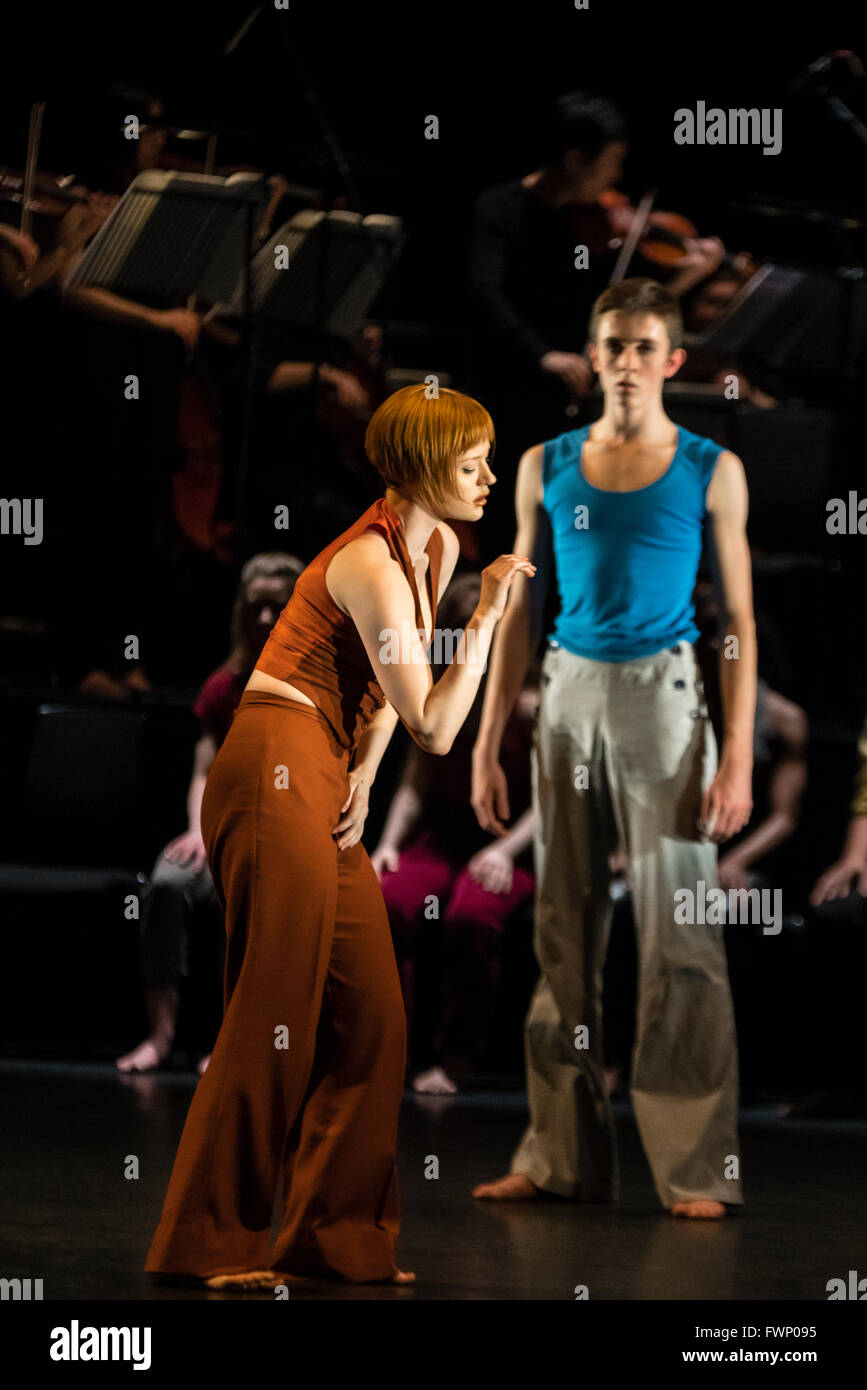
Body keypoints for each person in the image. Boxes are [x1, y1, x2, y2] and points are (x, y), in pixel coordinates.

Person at [144, 383, 534, 1289]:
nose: (488, 478)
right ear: (422, 469)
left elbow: (391, 691)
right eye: (471, 464)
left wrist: (359, 772)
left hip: (323, 761)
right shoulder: (369, 559)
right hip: (272, 759)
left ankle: (335, 1238)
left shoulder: (435, 545)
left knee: (371, 1018)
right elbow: (436, 725)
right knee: (275, 1006)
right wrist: (484, 622)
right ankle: (210, 1243)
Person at [471, 277, 756, 1219]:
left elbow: (739, 623)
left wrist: (737, 755)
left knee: (678, 934)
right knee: (562, 925)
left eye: (643, 347)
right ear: (591, 356)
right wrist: (487, 741)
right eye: (612, 346)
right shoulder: (543, 462)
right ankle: (558, 1157)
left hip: (662, 700)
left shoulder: (710, 466)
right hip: (566, 692)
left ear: (671, 360)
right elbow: (517, 608)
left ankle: (694, 1169)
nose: (626, 362)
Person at [468, 90, 725, 556]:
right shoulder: (499, 209)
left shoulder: (590, 228)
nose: (617, 177)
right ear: (574, 159)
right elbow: (484, 294)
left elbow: (620, 313)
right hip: (506, 393)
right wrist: (542, 355)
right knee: (509, 535)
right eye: (611, 162)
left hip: (573, 400)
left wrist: (689, 276)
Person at [116, 552, 303, 1076]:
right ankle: (160, 1035)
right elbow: (203, 771)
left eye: (277, 606)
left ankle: (236, 1037)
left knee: (243, 891)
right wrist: (199, 829)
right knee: (166, 883)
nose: (264, 618)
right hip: (224, 828)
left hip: (285, 834)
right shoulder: (223, 687)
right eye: (255, 606)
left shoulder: (317, 685)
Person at [370, 572, 538, 1093]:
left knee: (471, 914)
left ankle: (458, 1053)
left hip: (514, 841)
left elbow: (554, 799)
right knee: (388, 899)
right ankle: (388, 1048)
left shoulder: (534, 705)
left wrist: (506, 851)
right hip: (443, 836)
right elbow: (414, 784)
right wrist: (388, 845)